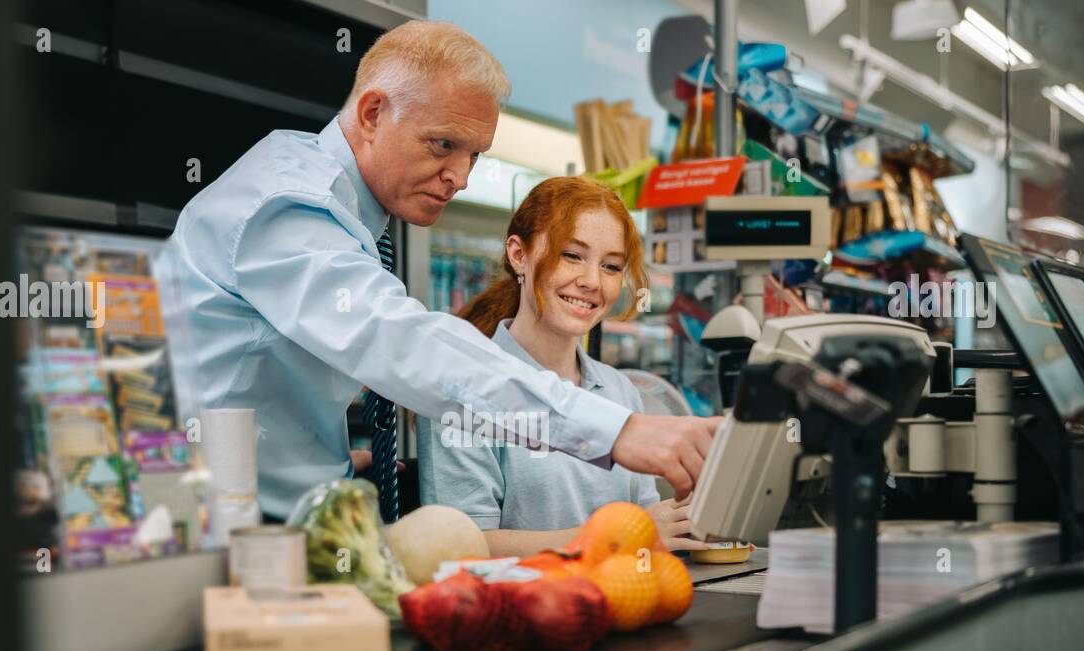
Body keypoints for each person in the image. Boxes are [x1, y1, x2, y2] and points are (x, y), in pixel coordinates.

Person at [155, 19, 719, 522]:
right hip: (221, 534)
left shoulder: (347, 211)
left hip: (294, 518)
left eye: (474, 155)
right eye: (443, 144)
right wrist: (615, 430)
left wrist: (315, 454)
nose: (461, 177)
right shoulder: (286, 204)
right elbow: (403, 343)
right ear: (374, 113)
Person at [418, 177, 704, 556]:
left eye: (612, 266)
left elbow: (647, 526)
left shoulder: (621, 391)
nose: (591, 281)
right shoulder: (459, 391)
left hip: (623, 605)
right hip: (517, 610)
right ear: (519, 254)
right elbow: (462, 546)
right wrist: (618, 535)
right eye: (572, 255)